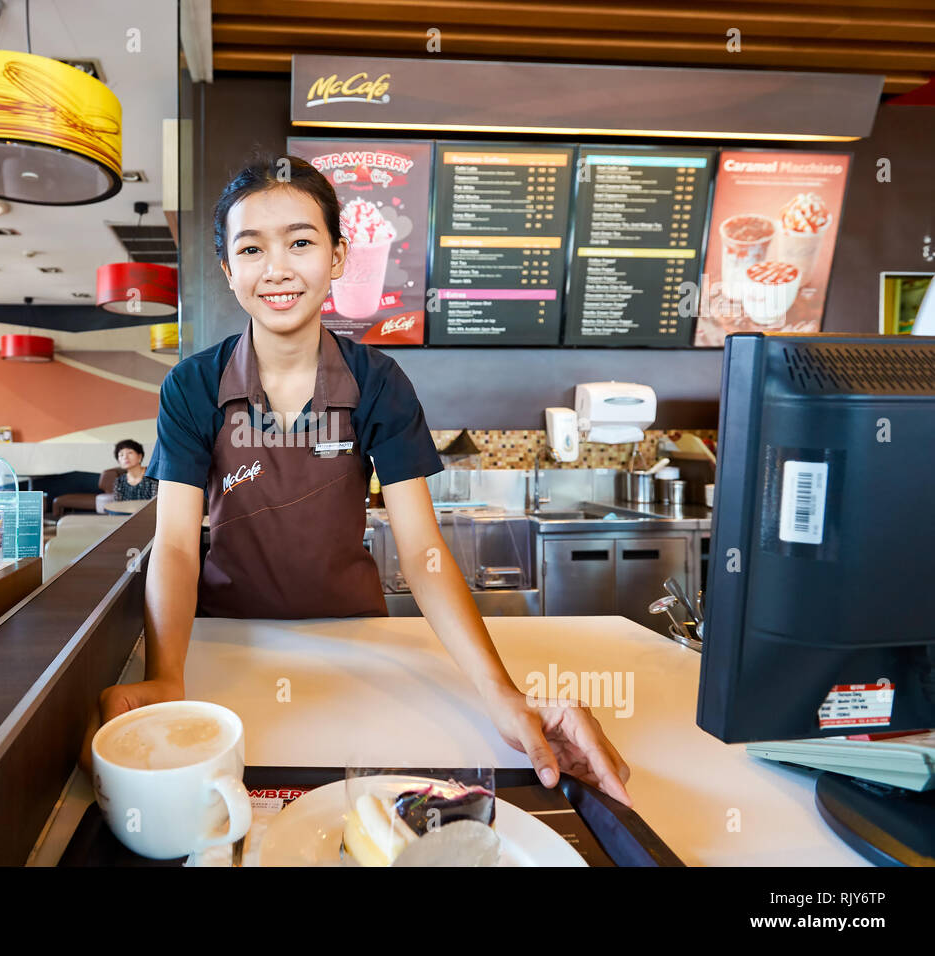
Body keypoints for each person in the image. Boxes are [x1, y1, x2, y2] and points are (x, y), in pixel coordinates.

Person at [79, 155, 632, 807]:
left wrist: (502, 694)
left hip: (357, 638)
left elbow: (425, 553)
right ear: (229, 271)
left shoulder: (378, 382)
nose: (278, 268)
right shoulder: (192, 386)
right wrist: (167, 677)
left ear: (339, 257)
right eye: (252, 248)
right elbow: (173, 546)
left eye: (302, 242)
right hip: (227, 640)